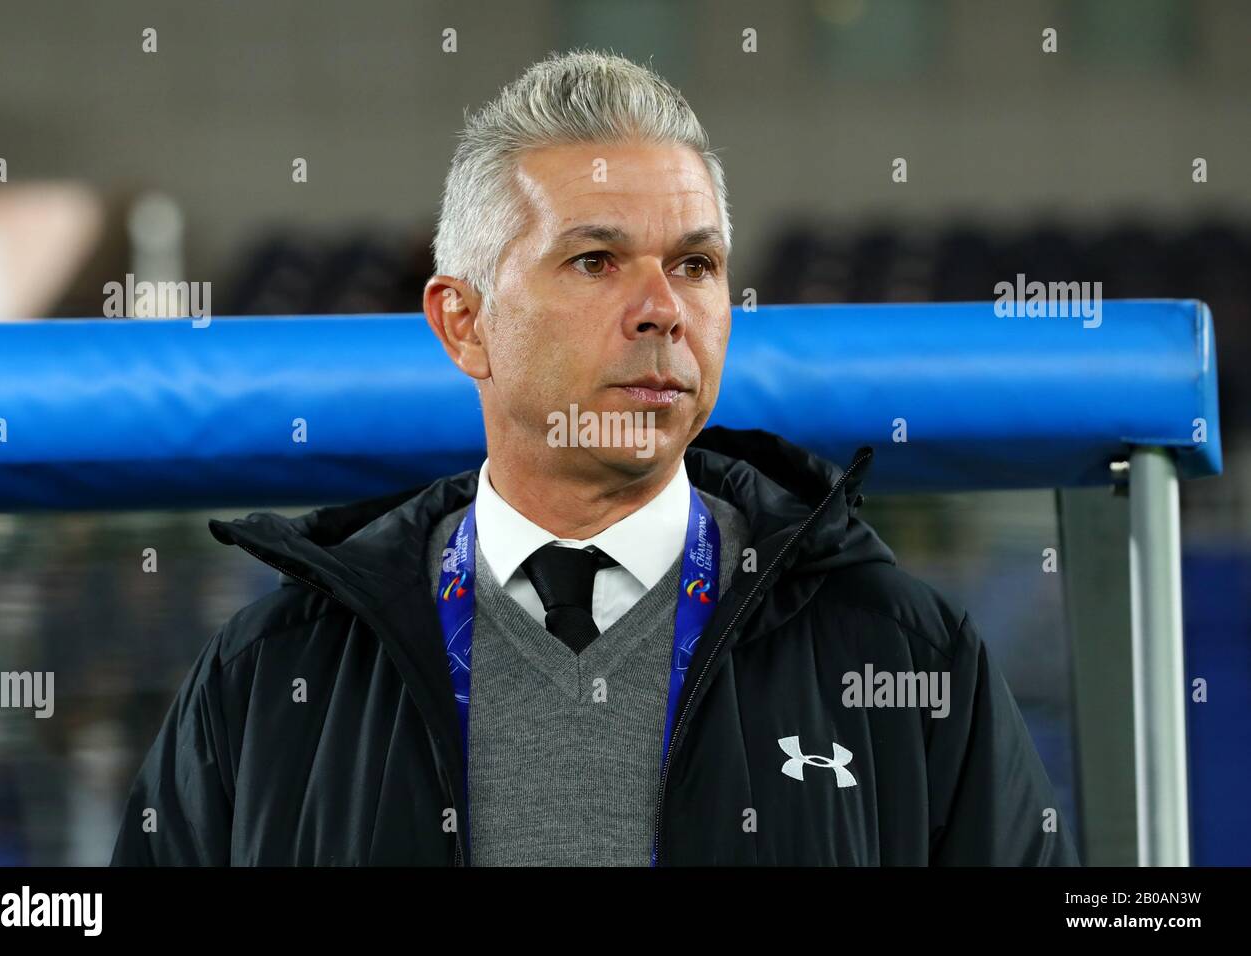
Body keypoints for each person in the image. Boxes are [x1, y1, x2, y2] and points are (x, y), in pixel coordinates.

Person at [110, 49, 1078, 866]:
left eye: (694, 264)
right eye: (595, 261)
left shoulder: (902, 654)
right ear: (464, 322)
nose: (662, 307)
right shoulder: (273, 676)